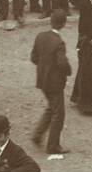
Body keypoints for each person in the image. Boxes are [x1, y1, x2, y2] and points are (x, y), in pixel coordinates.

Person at [30, 8, 71, 156]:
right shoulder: (59, 43)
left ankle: (37, 135)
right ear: (63, 24)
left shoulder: (40, 36)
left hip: (42, 81)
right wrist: (68, 70)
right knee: (58, 114)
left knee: (52, 108)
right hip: (55, 83)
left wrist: (44, 68)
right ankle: (53, 146)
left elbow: (34, 58)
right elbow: (62, 64)